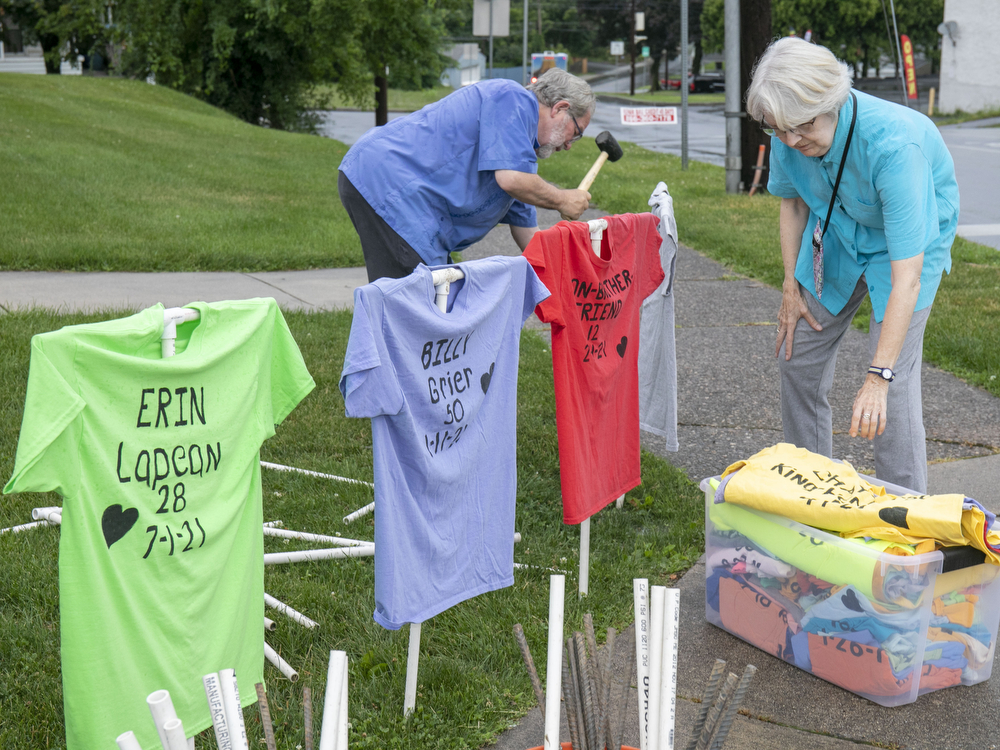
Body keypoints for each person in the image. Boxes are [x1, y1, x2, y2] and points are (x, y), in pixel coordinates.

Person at [746, 37, 960, 493]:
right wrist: (790, 285)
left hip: (903, 250)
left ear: (833, 103)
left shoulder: (896, 147)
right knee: (796, 355)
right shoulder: (788, 128)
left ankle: (908, 520)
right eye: (779, 130)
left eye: (801, 127)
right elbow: (793, 206)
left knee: (892, 393)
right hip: (838, 231)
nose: (789, 141)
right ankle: (812, 490)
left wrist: (878, 376)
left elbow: (907, 278)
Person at [338, 68, 595, 282]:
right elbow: (511, 179)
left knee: (432, 305)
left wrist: (567, 280)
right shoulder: (513, 99)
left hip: (402, 197)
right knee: (415, 310)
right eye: (577, 131)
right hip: (390, 185)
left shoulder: (520, 155)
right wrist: (563, 199)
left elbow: (529, 237)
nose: (571, 144)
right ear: (560, 108)